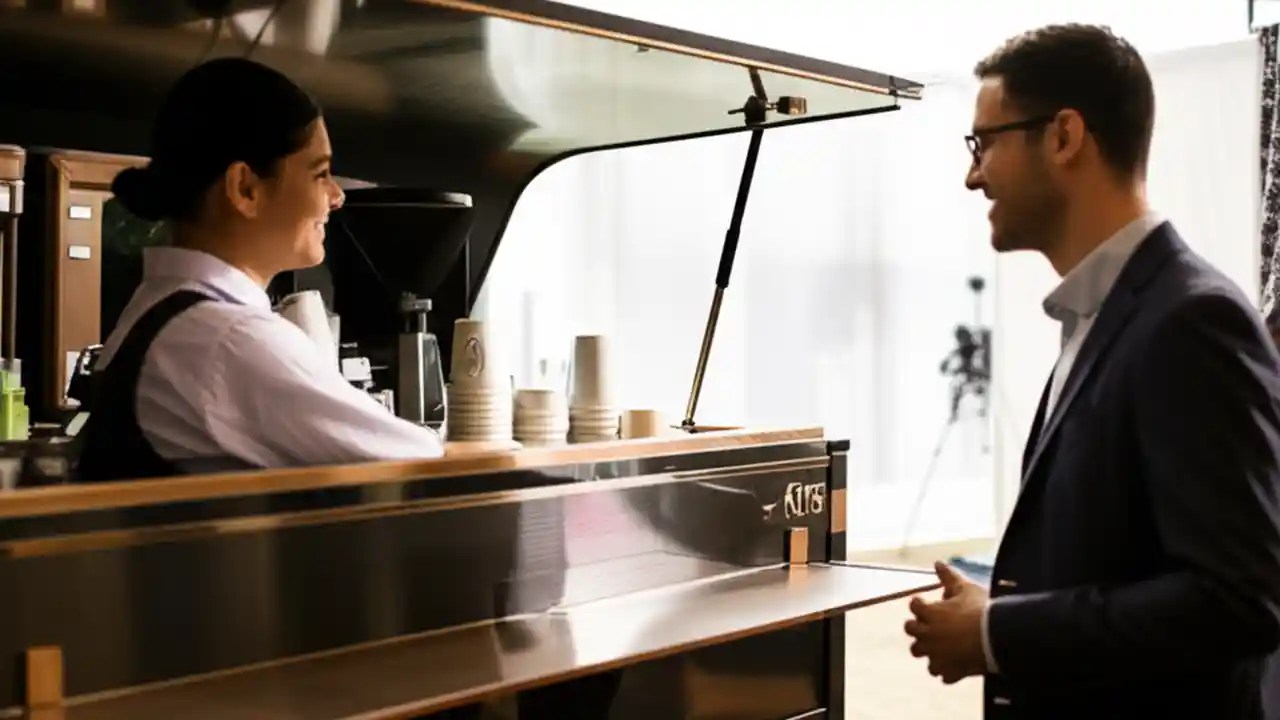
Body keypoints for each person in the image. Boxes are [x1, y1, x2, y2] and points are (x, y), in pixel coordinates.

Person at [903, 24, 1280, 718]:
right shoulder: (1104, 316)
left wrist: (997, 632)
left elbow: (1237, 600)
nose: (972, 174)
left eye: (983, 143)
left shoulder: (1191, 322)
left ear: (1064, 136)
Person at [76, 57, 444, 481]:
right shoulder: (224, 340)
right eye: (320, 173)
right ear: (245, 189)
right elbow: (422, 467)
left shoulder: (165, 311)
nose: (337, 196)